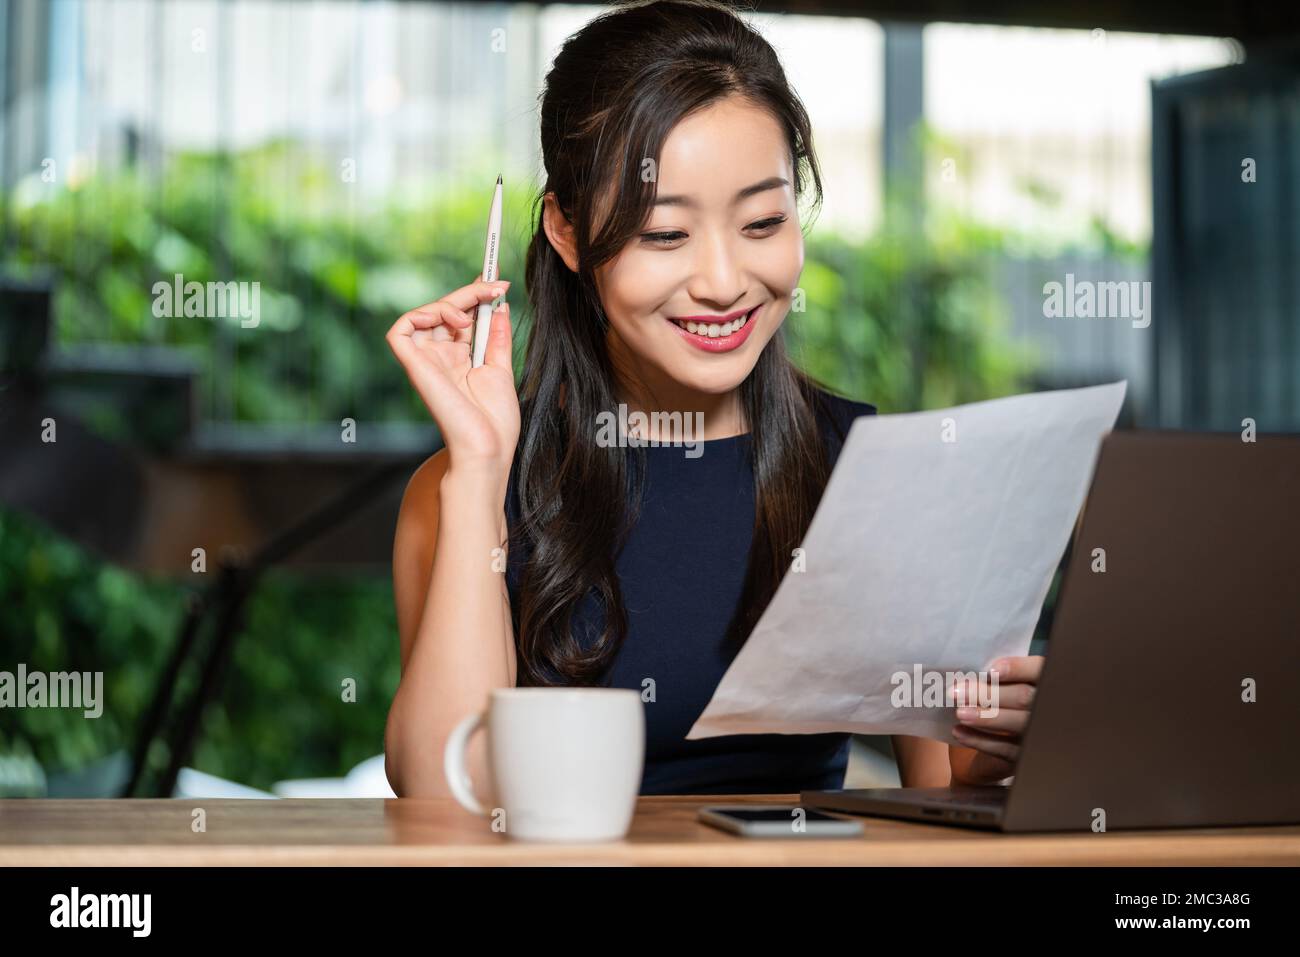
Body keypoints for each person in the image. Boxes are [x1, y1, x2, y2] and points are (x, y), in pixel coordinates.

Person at [383, 0, 1041, 798]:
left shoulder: (870, 472)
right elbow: (444, 798)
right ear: (564, 231)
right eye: (666, 235)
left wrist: (1001, 743)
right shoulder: (461, 492)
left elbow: (944, 788)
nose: (725, 283)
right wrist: (481, 469)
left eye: (763, 222)